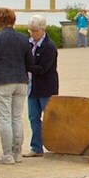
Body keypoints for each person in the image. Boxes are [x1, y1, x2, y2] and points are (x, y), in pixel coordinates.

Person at [0, 8, 34, 165]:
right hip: (21, 81)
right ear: (13, 20)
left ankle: (8, 154)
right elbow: (29, 63)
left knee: (4, 119)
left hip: (2, 81)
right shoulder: (23, 38)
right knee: (17, 118)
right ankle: (18, 153)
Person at [26, 16, 59, 158]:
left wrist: (26, 66)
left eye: (35, 31)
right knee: (33, 117)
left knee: (50, 118)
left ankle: (57, 145)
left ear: (42, 30)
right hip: (32, 87)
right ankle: (36, 147)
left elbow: (43, 68)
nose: (32, 33)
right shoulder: (28, 44)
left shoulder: (49, 47)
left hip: (46, 87)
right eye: (30, 30)